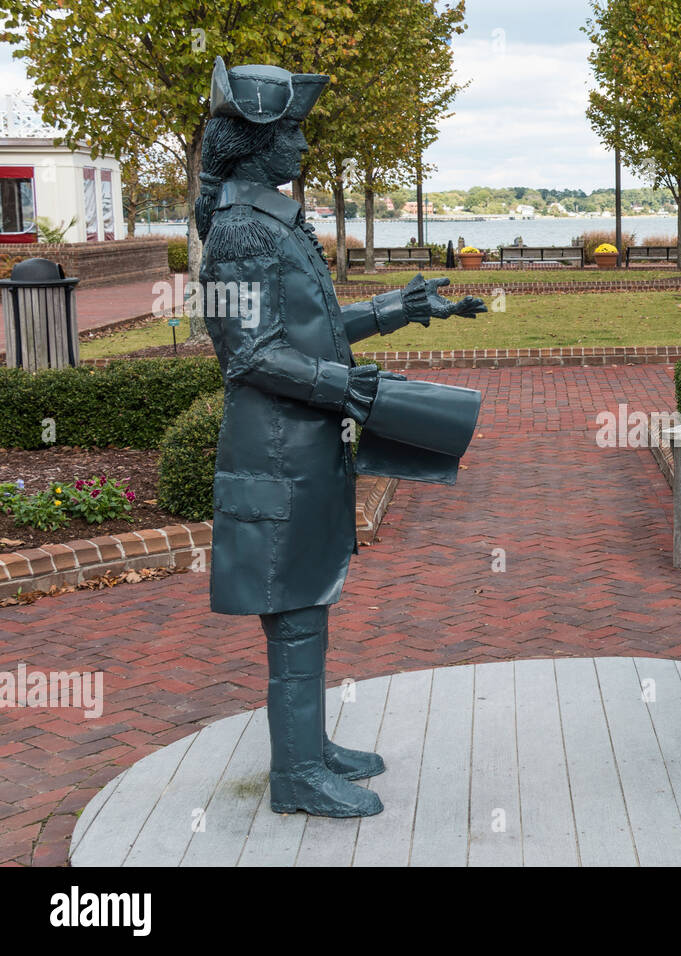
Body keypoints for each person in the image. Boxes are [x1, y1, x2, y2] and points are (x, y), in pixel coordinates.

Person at [197, 58, 485, 817]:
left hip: (306, 446)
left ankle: (310, 748)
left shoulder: (267, 223)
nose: (300, 145)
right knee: (292, 614)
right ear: (255, 144)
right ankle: (294, 776)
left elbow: (313, 329)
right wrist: (343, 387)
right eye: (290, 131)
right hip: (276, 451)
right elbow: (249, 354)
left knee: (309, 603)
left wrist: (400, 307)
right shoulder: (236, 232)